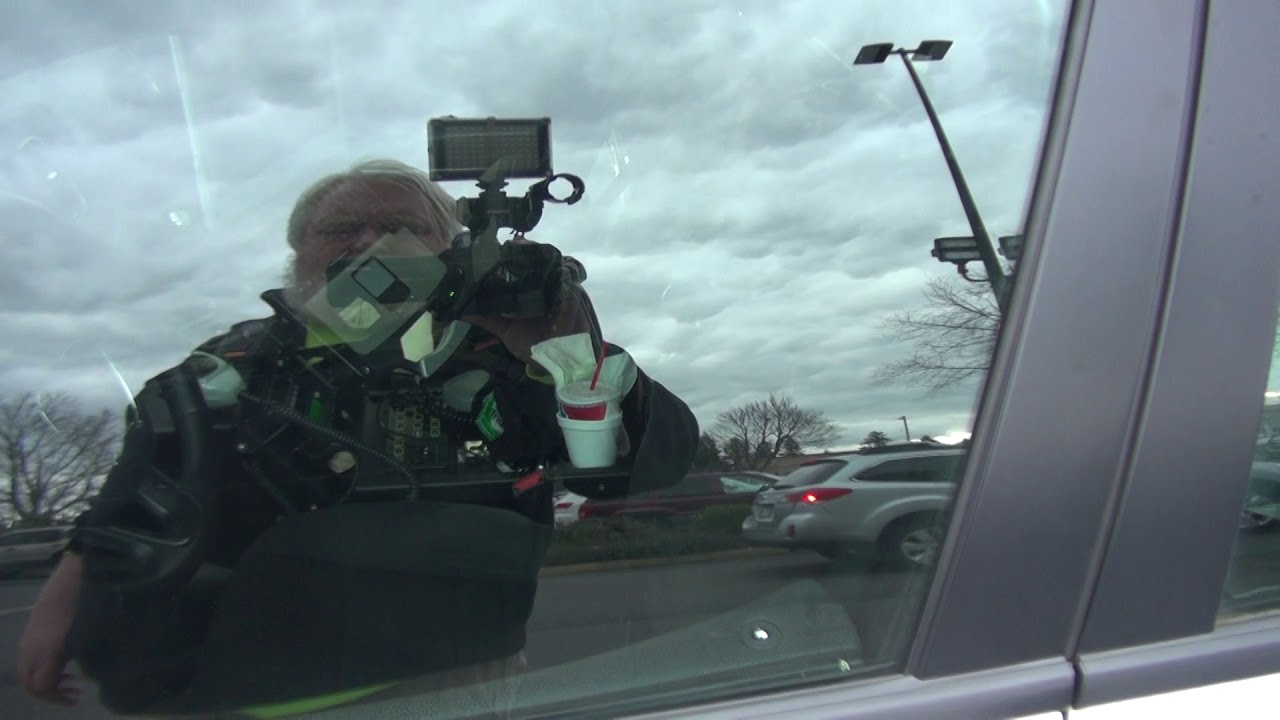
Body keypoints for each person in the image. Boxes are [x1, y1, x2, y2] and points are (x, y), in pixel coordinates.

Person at [17, 158, 699, 717]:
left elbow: (649, 466)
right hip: (220, 689)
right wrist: (59, 607)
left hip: (451, 684)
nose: (367, 240)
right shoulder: (231, 366)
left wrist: (564, 353)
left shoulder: (497, 359)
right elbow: (134, 493)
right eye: (340, 227)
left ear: (451, 247)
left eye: (397, 225)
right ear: (299, 250)